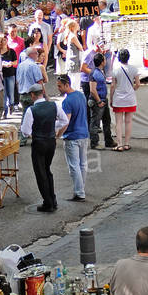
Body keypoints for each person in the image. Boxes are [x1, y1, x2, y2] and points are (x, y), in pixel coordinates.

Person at [20, 82, 67, 213]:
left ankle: (48, 202)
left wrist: (34, 132)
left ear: (33, 95)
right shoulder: (54, 105)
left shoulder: (31, 110)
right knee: (47, 170)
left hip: (39, 142)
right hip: (51, 141)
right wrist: (53, 126)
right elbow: (64, 121)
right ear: (43, 93)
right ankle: (53, 199)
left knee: (40, 173)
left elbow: (25, 131)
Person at [56, 74, 89, 202]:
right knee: (82, 164)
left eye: (59, 86)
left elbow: (66, 122)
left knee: (74, 165)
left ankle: (79, 192)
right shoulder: (81, 95)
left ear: (66, 85)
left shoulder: (67, 102)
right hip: (83, 133)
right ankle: (81, 188)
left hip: (72, 136)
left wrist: (58, 135)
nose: (58, 88)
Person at [109, 48, 140, 151]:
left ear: (118, 58)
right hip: (130, 98)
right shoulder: (134, 69)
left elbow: (113, 85)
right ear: (128, 58)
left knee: (118, 122)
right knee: (128, 121)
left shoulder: (115, 71)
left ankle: (119, 144)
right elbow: (138, 84)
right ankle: (127, 143)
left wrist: (111, 98)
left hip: (118, 99)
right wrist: (132, 89)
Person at [85, 52, 115, 150]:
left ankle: (108, 140)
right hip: (98, 101)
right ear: (102, 62)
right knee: (95, 123)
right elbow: (92, 90)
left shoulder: (98, 72)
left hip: (102, 100)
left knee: (106, 121)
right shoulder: (94, 73)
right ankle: (94, 143)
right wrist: (98, 101)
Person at [16, 44, 46, 134]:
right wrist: (44, 94)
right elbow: (39, 82)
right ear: (32, 55)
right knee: (31, 115)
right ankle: (23, 135)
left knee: (26, 114)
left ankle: (26, 133)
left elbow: (17, 80)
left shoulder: (20, 65)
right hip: (33, 94)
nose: (38, 55)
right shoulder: (34, 66)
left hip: (22, 93)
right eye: (36, 53)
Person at [2, 26, 22, 115]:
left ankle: (13, 104)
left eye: (14, 31)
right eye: (11, 31)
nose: (13, 33)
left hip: (13, 70)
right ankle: (5, 108)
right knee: (4, 91)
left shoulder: (19, 43)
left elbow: (17, 58)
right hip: (2, 73)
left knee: (13, 89)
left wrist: (12, 63)